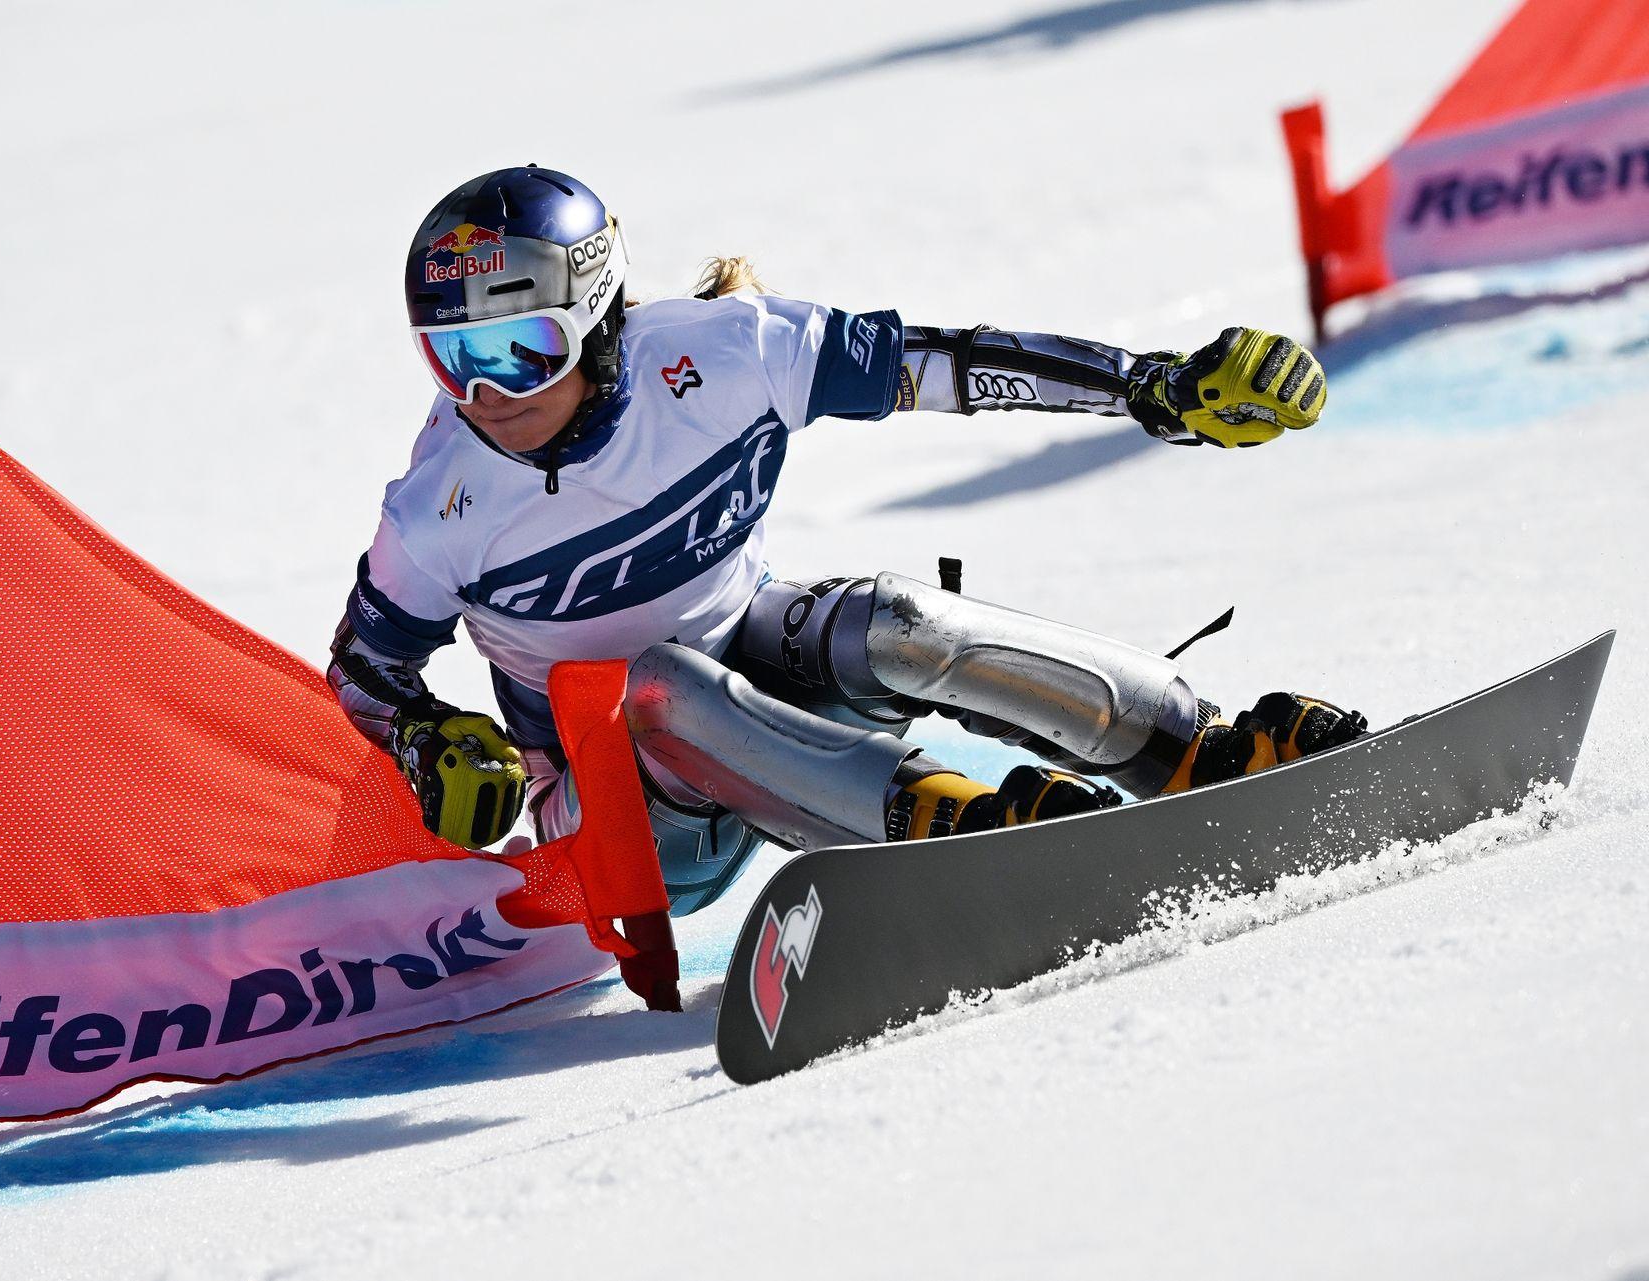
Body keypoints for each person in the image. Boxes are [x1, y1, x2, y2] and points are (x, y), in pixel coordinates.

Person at [328, 166, 1364, 915]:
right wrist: (429, 740)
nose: (487, 394)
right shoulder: (435, 511)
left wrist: (1152, 387)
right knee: (653, 682)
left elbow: (945, 366)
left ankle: (1190, 750)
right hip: (619, 823)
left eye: (522, 347)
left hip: (749, 672)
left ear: (597, 316)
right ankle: (945, 834)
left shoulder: (727, 352)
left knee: (894, 622)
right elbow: (363, 675)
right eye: (452, 356)